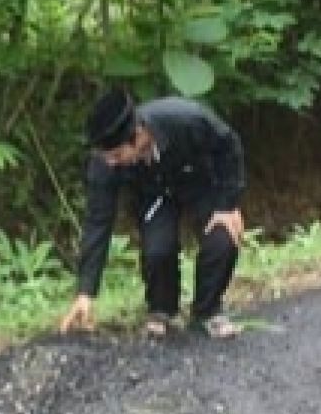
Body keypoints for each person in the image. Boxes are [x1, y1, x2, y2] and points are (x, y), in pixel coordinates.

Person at [59, 89, 246, 338]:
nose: (112, 162)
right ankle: (162, 309)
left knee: (223, 237)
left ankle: (207, 311)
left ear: (137, 138)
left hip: (199, 180)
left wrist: (227, 204)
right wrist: (85, 292)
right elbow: (97, 221)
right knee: (157, 251)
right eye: (107, 157)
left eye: (117, 155)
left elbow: (229, 144)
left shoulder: (185, 118)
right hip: (153, 192)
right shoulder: (104, 164)